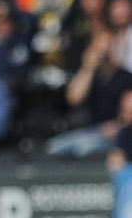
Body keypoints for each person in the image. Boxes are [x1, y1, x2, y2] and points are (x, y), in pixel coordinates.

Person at [46, 26, 132, 157]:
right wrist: (87, 67)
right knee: (54, 147)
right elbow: (74, 99)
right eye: (100, 48)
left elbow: (129, 112)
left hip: (121, 133)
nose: (104, 52)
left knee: (84, 147)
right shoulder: (91, 75)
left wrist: (118, 126)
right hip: (94, 131)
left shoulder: (126, 77)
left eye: (108, 47)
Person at [0, 0, 32, 85]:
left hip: (26, 88)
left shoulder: (23, 38)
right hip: (3, 90)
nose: (4, 27)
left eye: (6, 22)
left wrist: (8, 9)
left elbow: (32, 19)